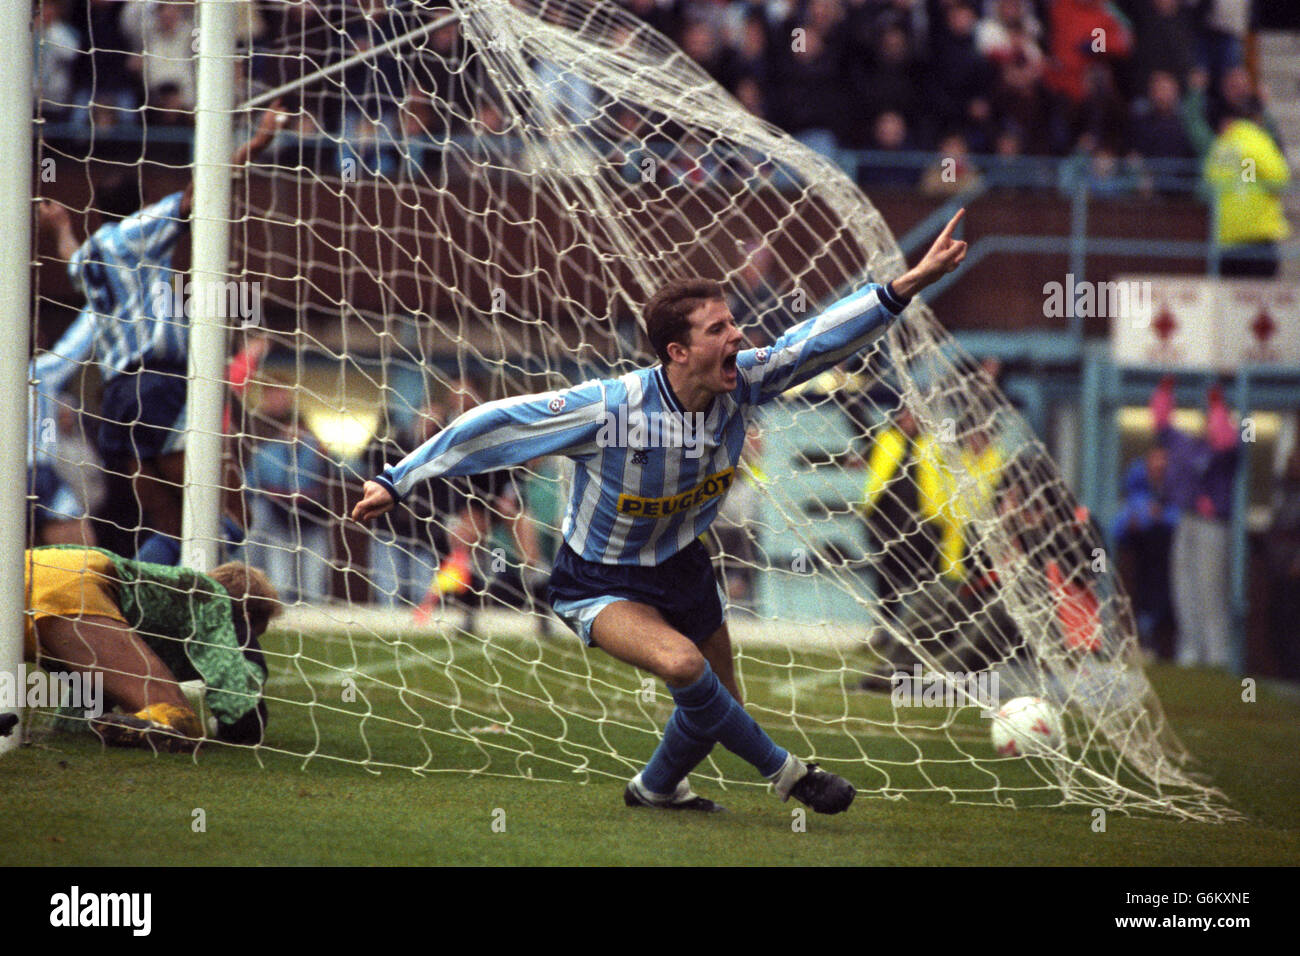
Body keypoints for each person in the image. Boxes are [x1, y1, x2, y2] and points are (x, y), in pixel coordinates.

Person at [353, 210, 969, 813]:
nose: (737, 337)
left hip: (682, 566)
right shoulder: (613, 408)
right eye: (718, 330)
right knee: (685, 667)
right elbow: (498, 421)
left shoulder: (745, 381)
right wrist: (399, 477)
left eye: (733, 323)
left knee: (716, 704)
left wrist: (903, 285)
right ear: (678, 350)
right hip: (600, 577)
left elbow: (816, 343)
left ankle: (654, 789)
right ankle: (787, 772)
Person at [38, 103, 287, 564]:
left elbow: (70, 259)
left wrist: (61, 229)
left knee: (167, 522)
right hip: (157, 385)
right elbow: (201, 191)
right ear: (143, 202)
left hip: (115, 397)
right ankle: (230, 616)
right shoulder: (136, 232)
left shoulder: (91, 254)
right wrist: (258, 141)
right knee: (227, 514)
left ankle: (152, 620)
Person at [23, 546, 279, 751]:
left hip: (24, 566)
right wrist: (242, 730)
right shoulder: (212, 598)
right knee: (178, 720)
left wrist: (72, 724)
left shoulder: (161, 606)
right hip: (74, 582)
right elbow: (237, 689)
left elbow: (95, 677)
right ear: (245, 616)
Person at [1151, 377, 1239, 668]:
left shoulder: (1223, 452)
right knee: (1184, 588)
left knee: (1211, 591)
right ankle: (1190, 654)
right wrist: (1165, 389)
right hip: (1186, 521)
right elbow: (1161, 422)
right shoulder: (1187, 445)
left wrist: (1216, 402)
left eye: (1213, 419)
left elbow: (1226, 437)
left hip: (1213, 525)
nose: (1209, 424)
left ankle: (1217, 657)